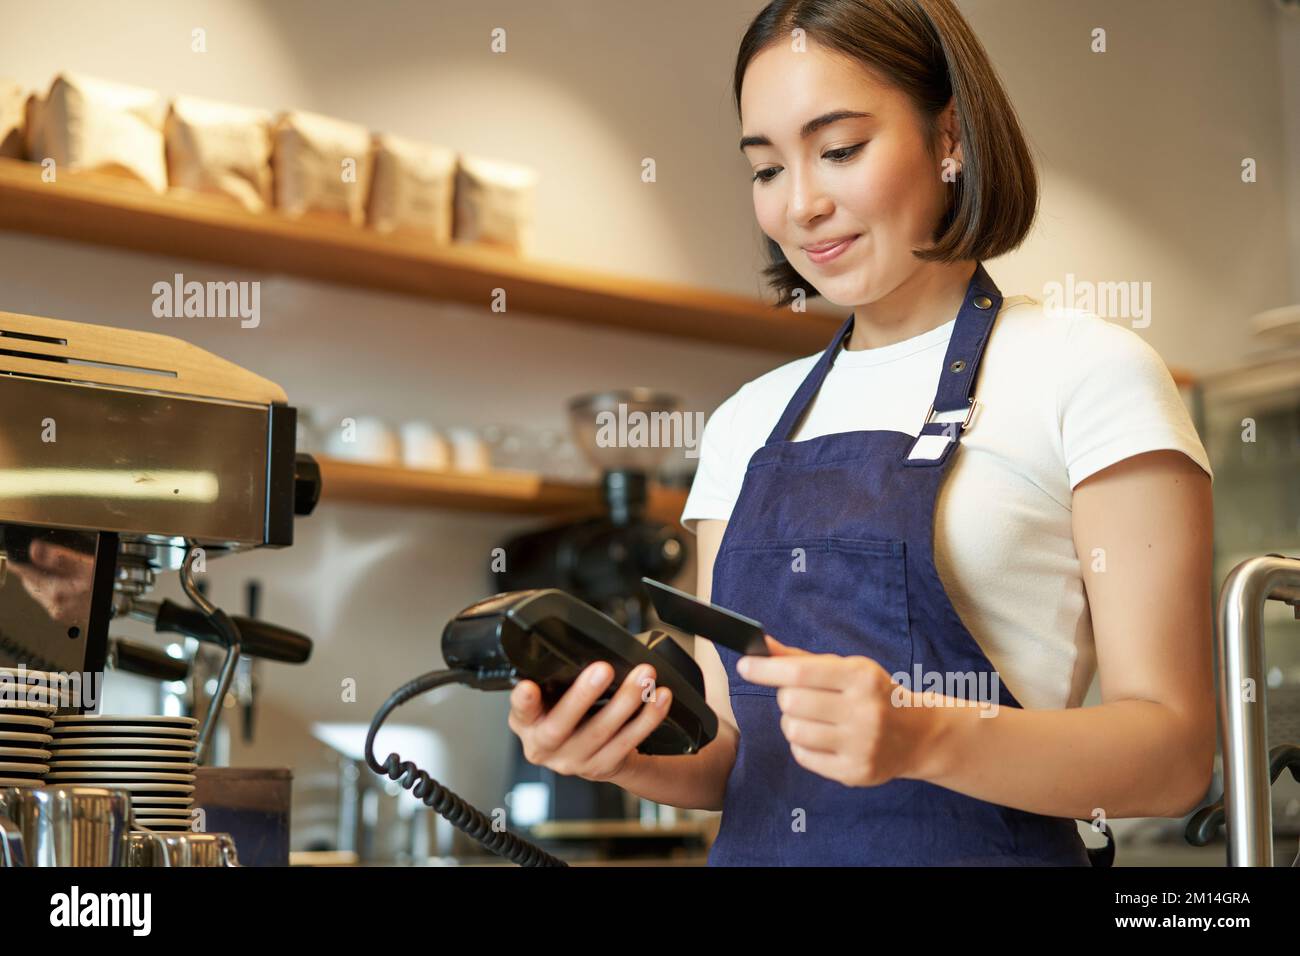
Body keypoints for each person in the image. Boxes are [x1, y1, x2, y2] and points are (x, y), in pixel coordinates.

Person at [507, 0, 1216, 865]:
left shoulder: (1089, 373)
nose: (801, 204)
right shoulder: (743, 425)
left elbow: (1175, 757)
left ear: (950, 136)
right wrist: (621, 752)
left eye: (839, 150)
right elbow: (735, 756)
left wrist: (923, 737)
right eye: (766, 168)